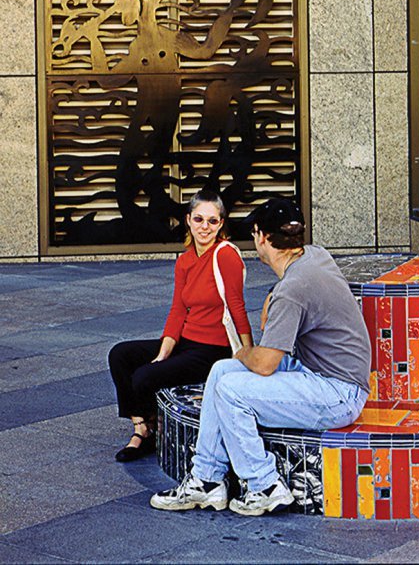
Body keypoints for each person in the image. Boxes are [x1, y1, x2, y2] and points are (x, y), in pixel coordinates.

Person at [149, 197, 371, 516]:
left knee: (232, 389)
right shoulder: (315, 257)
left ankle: (264, 485)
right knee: (222, 370)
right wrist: (271, 297)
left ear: (261, 237)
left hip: (338, 393)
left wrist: (243, 351)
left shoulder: (292, 291)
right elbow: (297, 292)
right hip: (321, 373)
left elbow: (265, 364)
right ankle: (206, 480)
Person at [108, 190, 252, 462]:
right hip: (186, 343)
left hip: (212, 350)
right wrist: (164, 352)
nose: (204, 228)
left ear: (221, 223)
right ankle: (142, 427)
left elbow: (237, 307)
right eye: (199, 219)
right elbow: (177, 310)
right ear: (188, 220)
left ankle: (152, 430)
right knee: (121, 355)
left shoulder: (225, 256)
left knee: (143, 377)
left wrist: (249, 353)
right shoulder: (185, 261)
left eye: (212, 221)